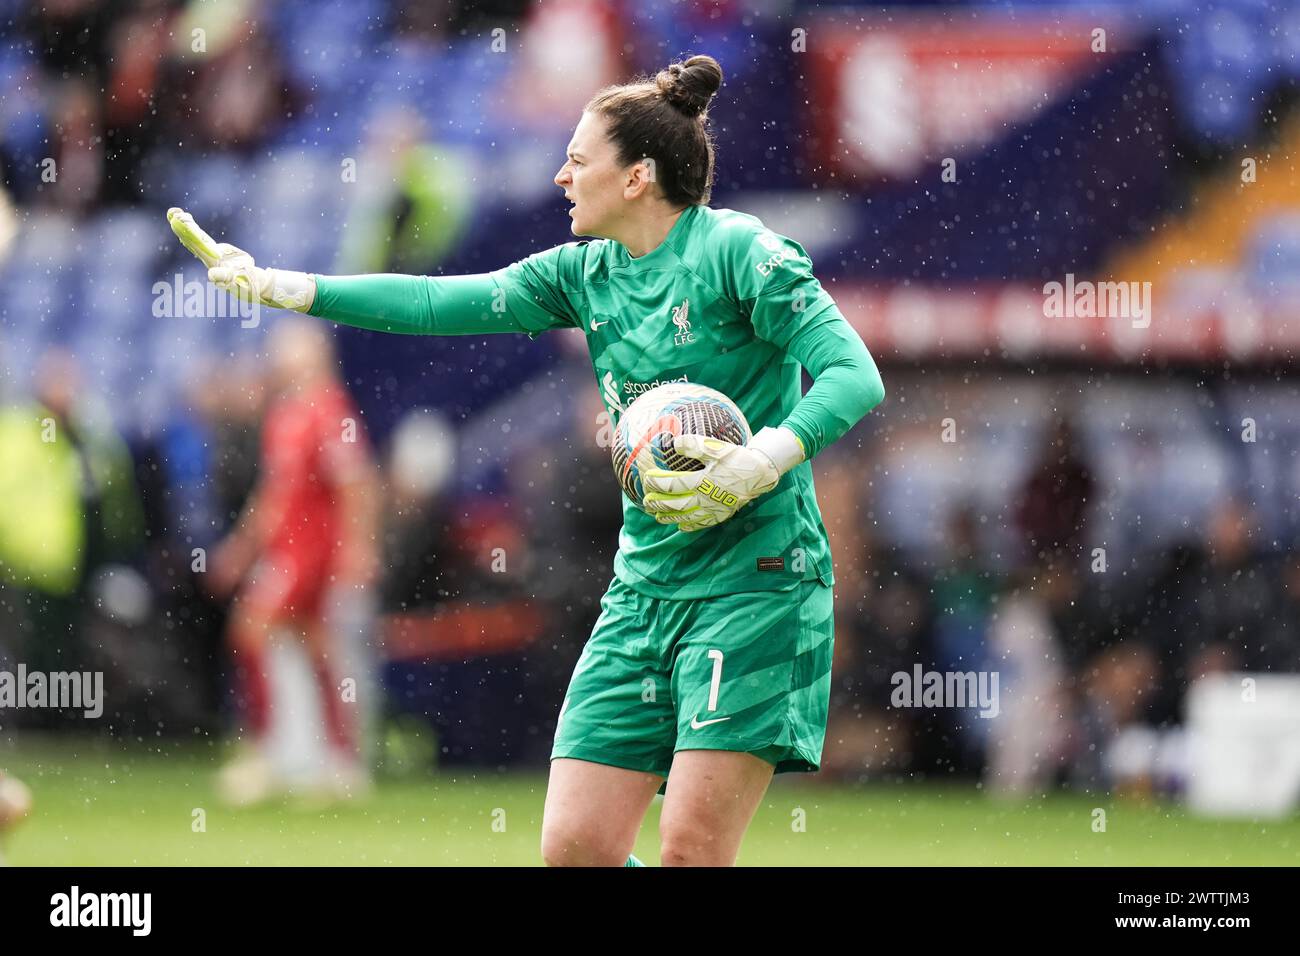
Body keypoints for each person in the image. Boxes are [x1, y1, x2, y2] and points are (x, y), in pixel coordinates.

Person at [167, 54, 885, 866]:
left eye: (579, 161)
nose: (561, 176)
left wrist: (762, 461)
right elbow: (439, 302)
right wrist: (292, 289)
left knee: (690, 849)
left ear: (639, 176)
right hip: (644, 590)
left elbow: (854, 374)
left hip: (754, 585)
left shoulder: (739, 253)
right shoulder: (583, 273)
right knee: (574, 848)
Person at [204, 319, 380, 805]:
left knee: (251, 631)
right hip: (286, 550)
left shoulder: (329, 409)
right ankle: (336, 761)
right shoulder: (286, 414)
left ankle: (266, 753)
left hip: (311, 553)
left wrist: (357, 548)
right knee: (314, 647)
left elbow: (357, 483)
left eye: (290, 351)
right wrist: (241, 550)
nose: (279, 360)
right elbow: (273, 496)